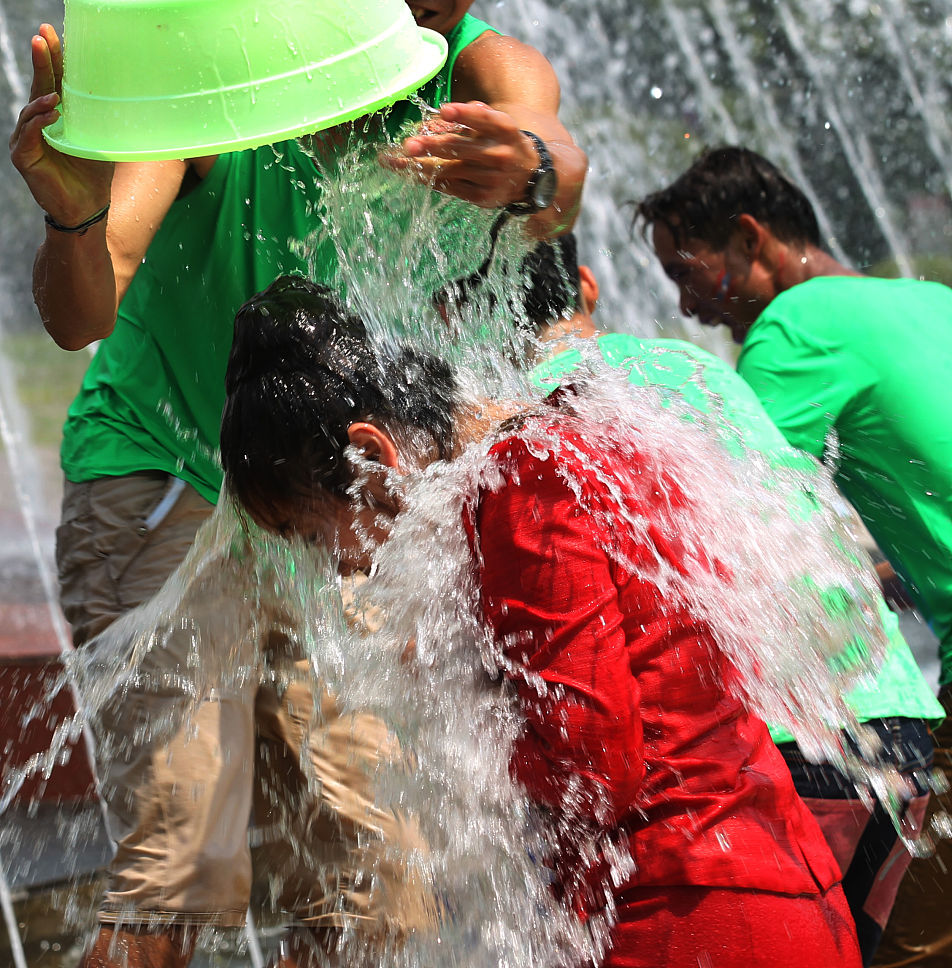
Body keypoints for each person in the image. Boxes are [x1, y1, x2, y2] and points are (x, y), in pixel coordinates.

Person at [7, 0, 586, 966]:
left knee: (376, 881)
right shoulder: (218, 75)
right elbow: (81, 310)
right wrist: (71, 215)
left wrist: (530, 169)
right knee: (181, 871)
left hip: (333, 511)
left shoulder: (477, 74)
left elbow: (555, 155)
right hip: (168, 477)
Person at [218, 272, 862, 968]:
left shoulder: (522, 484)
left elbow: (597, 770)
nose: (338, 568)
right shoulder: (571, 433)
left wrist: (466, 708)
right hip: (764, 881)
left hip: (689, 914)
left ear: (372, 459)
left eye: (315, 535)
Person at [515, 233, 941, 966]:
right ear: (587, 282)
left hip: (782, 747)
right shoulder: (697, 365)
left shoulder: (535, 417)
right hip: (894, 720)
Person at [636, 145, 952, 968]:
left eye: (688, 271)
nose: (687, 305)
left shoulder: (795, 326)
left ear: (751, 239)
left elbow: (723, 514)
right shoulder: (926, 301)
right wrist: (882, 579)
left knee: (910, 951)